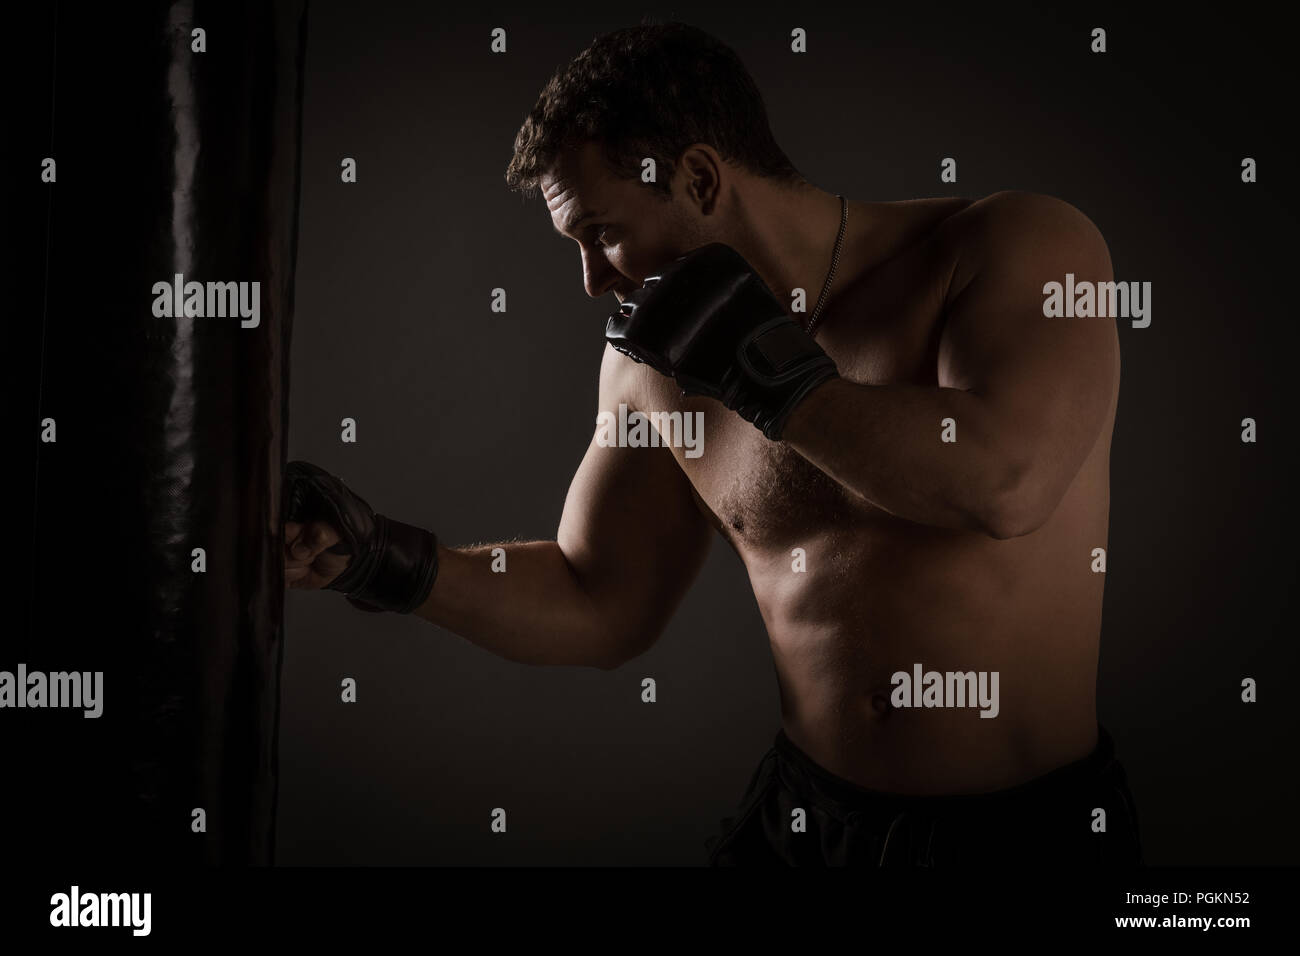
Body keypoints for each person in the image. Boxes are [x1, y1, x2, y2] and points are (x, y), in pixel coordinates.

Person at [285, 21, 1140, 866]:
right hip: (807, 818)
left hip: (1025, 839)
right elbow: (600, 602)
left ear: (696, 179)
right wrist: (387, 562)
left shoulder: (1013, 247)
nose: (593, 281)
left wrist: (769, 377)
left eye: (601, 232)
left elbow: (1004, 484)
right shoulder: (652, 371)